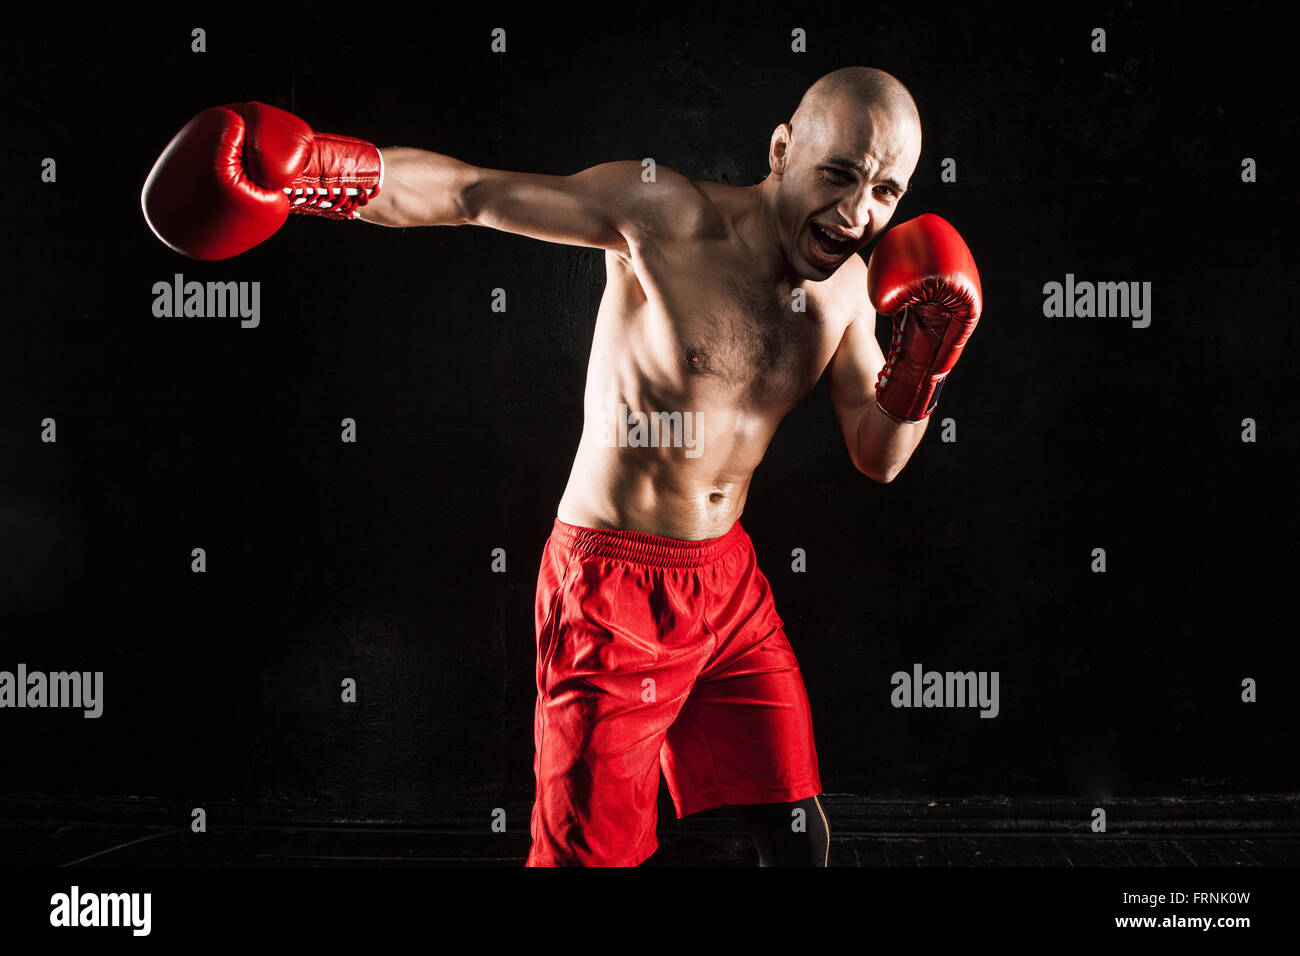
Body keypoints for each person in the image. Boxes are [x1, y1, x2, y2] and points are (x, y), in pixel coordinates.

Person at [141, 66, 982, 866]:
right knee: (587, 856)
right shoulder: (662, 214)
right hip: (610, 593)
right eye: (838, 175)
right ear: (780, 151)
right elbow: (471, 193)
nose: (856, 213)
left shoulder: (847, 291)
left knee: (796, 830)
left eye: (885, 192)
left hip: (728, 589)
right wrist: (311, 170)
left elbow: (878, 458)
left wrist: (921, 368)